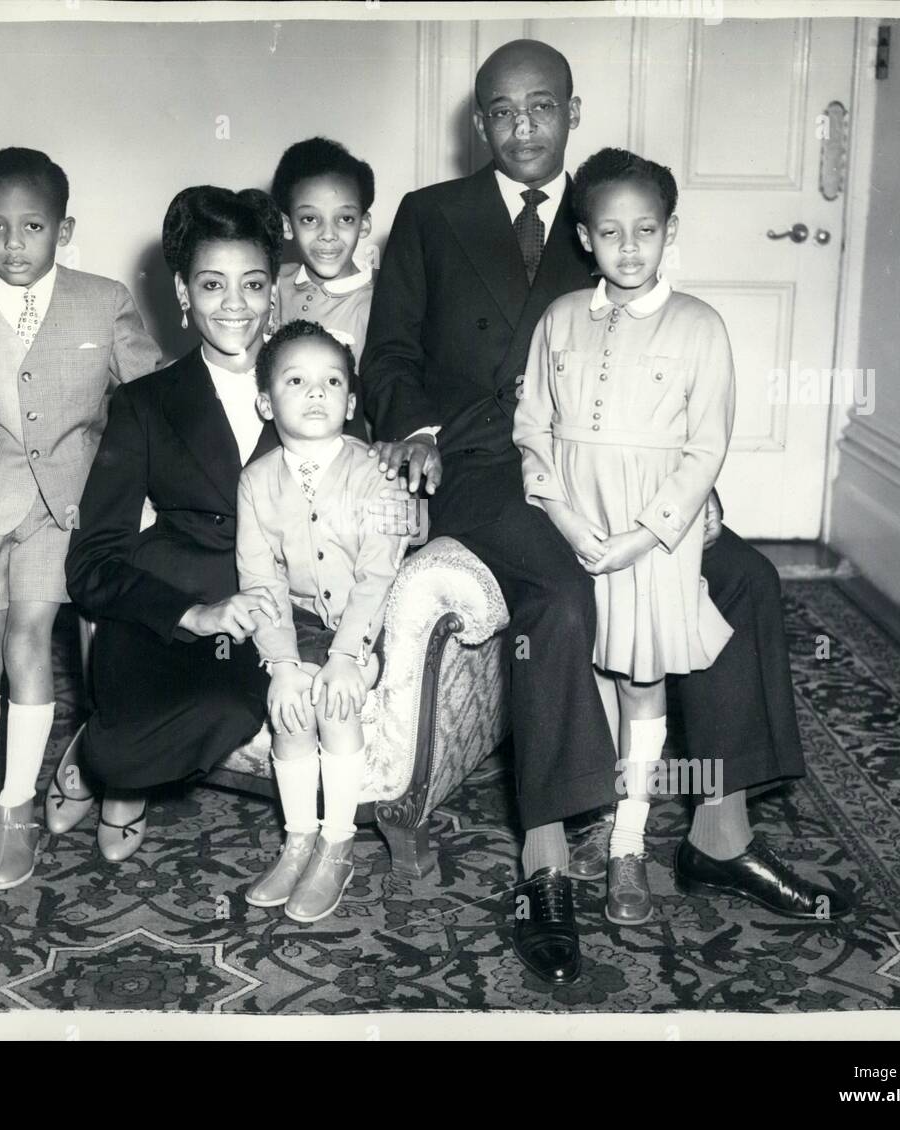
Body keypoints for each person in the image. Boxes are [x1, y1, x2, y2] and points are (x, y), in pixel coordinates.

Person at [362, 39, 849, 986]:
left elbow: (665, 367)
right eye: (502, 112)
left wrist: (686, 492)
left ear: (573, 113)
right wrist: (416, 427)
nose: (523, 127)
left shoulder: (610, 211)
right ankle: (545, 860)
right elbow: (387, 356)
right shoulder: (430, 216)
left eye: (542, 108)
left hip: (613, 471)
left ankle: (719, 831)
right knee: (560, 596)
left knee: (742, 577)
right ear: (479, 122)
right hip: (485, 462)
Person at [52, 187, 368, 861]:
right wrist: (189, 614)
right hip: (163, 604)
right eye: (212, 284)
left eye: (253, 284)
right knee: (130, 718)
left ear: (274, 293)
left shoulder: (318, 386)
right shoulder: (142, 404)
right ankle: (106, 754)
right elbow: (90, 563)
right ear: (181, 293)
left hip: (266, 614)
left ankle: (112, 766)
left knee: (224, 710)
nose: (235, 304)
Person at [0, 147, 161, 890]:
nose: (14, 244)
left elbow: (147, 395)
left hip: (65, 508)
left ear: (64, 229)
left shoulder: (104, 300)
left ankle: (19, 808)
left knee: (29, 639)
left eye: (32, 227)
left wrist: (126, 486)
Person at [514, 147, 738, 926]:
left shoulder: (701, 327)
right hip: (575, 523)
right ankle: (590, 813)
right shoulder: (561, 319)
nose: (631, 247)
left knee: (643, 679)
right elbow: (532, 429)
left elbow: (705, 450)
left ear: (670, 232)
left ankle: (628, 844)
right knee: (591, 671)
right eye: (612, 232)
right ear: (584, 238)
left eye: (647, 230)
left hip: (653, 537)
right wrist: (571, 521)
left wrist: (642, 537)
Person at [237, 320, 408, 922]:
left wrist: (346, 657)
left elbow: (379, 576)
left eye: (331, 381)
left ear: (351, 400)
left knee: (336, 703)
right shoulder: (255, 483)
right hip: (301, 621)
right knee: (292, 706)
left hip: (364, 621)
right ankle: (299, 837)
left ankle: (338, 842)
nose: (316, 393)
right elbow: (260, 581)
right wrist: (283, 663)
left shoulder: (377, 475)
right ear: (266, 401)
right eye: (296, 381)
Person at [270, 137, 378, 362]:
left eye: (345, 218)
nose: (328, 235)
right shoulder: (271, 282)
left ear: (364, 224)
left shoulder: (379, 304)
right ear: (287, 226)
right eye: (310, 219)